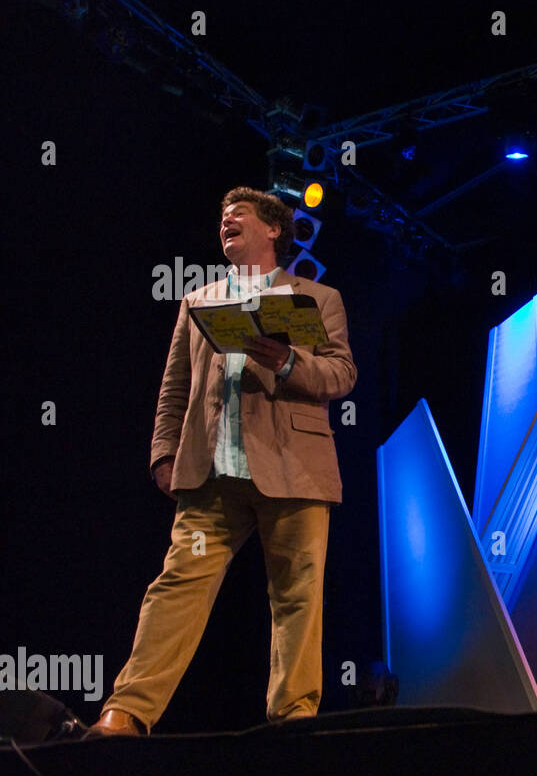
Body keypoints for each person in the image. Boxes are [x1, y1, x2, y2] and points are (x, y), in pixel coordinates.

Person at [88, 187, 357, 735]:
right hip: (211, 472)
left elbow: (341, 375)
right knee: (176, 587)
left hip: (295, 467)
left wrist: (286, 362)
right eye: (222, 217)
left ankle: (293, 718)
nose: (226, 221)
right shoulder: (198, 300)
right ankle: (127, 713)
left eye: (240, 215)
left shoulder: (317, 297)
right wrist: (164, 454)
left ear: (274, 230)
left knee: (297, 593)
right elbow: (175, 388)